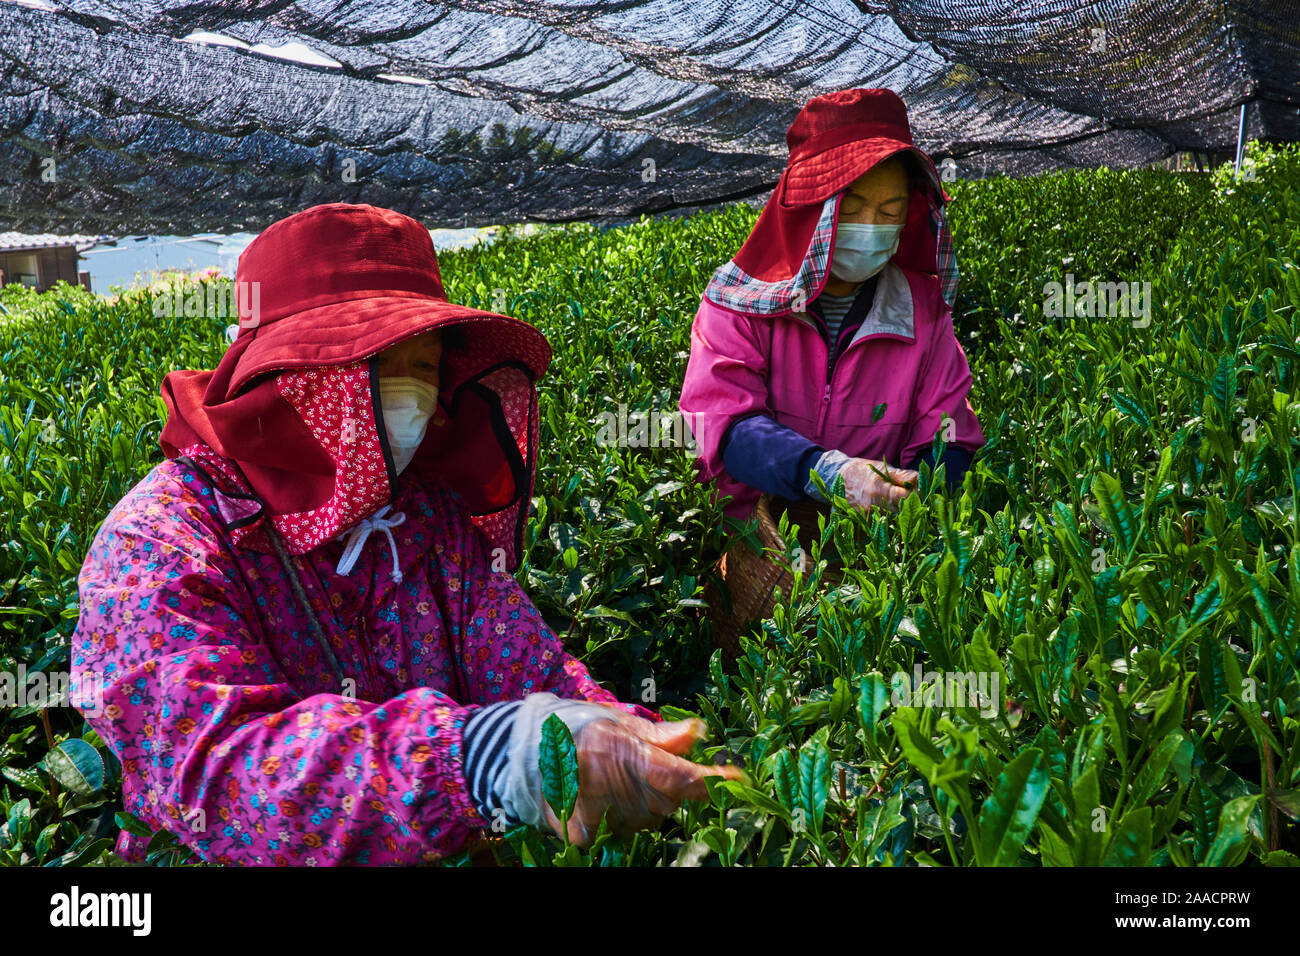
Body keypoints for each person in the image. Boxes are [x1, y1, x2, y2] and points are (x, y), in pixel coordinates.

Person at [70, 202, 742, 866]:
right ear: (285, 379)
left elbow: (523, 662)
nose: (410, 398)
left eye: (424, 369)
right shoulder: (161, 543)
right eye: (379, 365)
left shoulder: (424, 515)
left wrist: (626, 740)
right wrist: (479, 758)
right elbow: (219, 779)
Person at [679, 88, 985, 527]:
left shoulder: (923, 311)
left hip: (869, 547)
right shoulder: (739, 302)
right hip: (758, 540)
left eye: (889, 211)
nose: (871, 228)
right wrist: (830, 474)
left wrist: (922, 498)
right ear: (810, 211)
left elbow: (947, 429)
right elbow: (727, 425)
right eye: (853, 208)